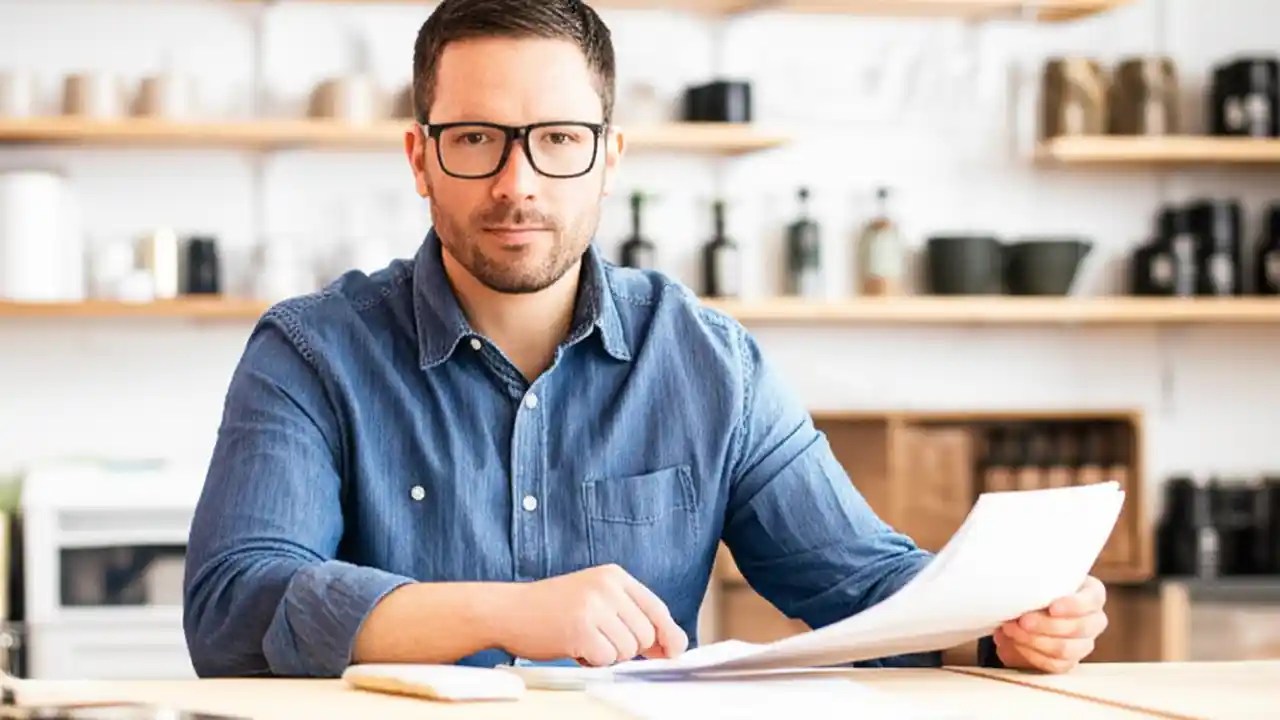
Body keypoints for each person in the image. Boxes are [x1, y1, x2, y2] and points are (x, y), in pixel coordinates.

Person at [183, 0, 1109, 678]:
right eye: (475, 139)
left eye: (557, 139)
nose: (518, 183)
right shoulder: (310, 354)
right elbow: (233, 609)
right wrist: (512, 613)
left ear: (609, 157)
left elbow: (863, 583)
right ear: (421, 157)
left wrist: (1002, 621)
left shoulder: (711, 363)